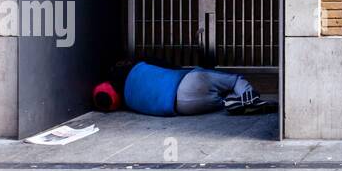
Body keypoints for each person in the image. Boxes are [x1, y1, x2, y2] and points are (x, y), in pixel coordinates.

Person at [97, 60, 273, 117]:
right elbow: (171, 67)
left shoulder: (128, 101)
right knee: (234, 80)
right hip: (188, 82)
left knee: (219, 99)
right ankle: (250, 98)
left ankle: (230, 102)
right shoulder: (140, 65)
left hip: (181, 107)